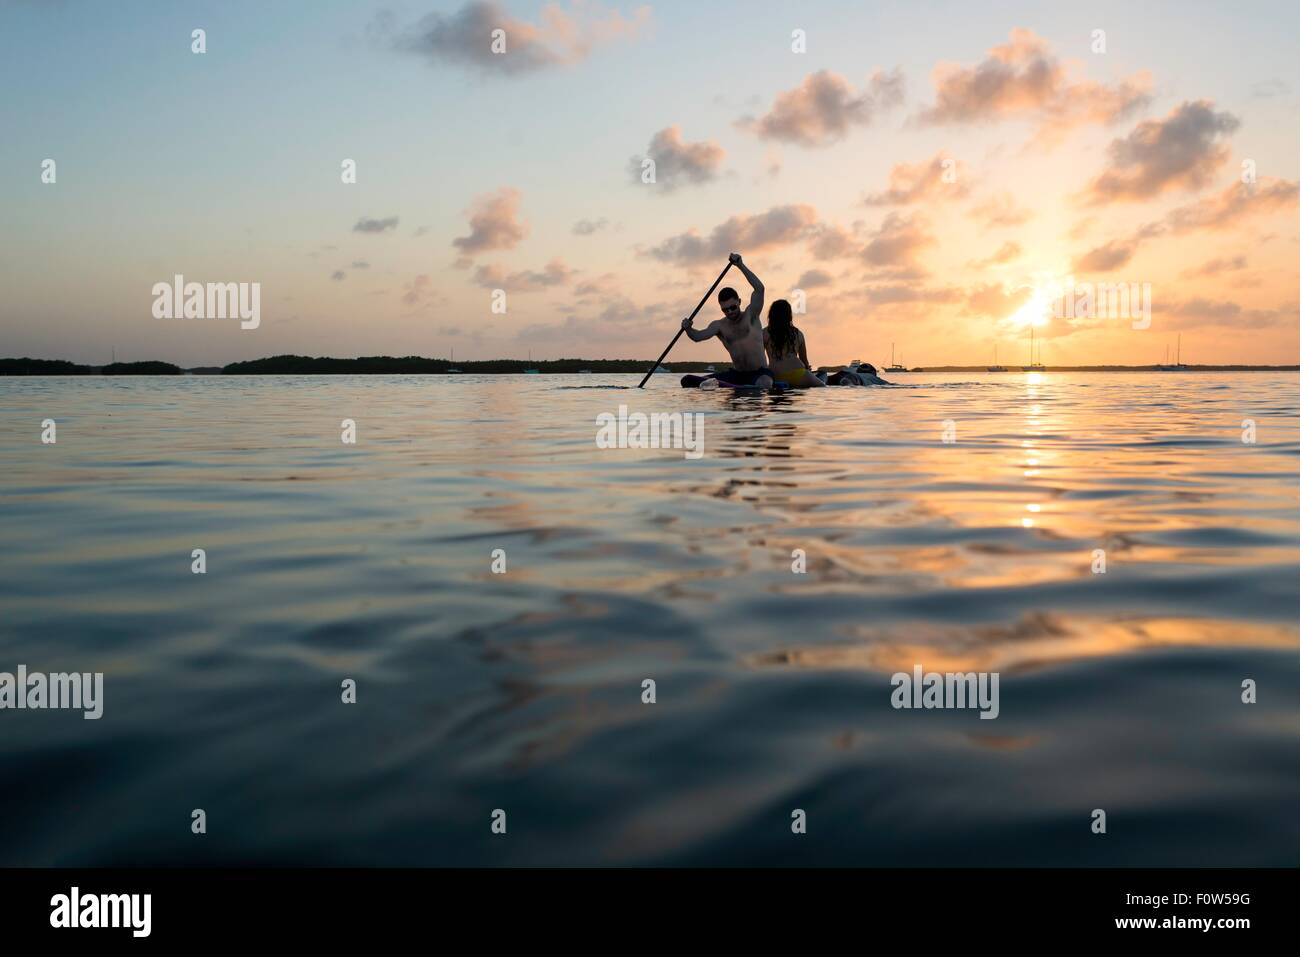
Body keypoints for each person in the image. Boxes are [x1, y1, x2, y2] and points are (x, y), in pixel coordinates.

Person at [681, 253, 774, 389]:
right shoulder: (719, 325)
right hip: (736, 375)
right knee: (687, 380)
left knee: (764, 383)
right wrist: (688, 328)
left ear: (739, 302)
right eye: (725, 310)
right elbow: (697, 337)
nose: (730, 312)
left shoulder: (751, 315)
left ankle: (743, 388)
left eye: (733, 307)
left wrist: (740, 265)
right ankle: (733, 386)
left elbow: (759, 289)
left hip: (759, 374)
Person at [763, 299, 826, 388]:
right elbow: (804, 361)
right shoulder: (798, 334)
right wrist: (808, 368)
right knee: (822, 386)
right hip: (798, 374)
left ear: (771, 315)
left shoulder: (764, 333)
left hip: (776, 376)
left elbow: (759, 359)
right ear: (789, 316)